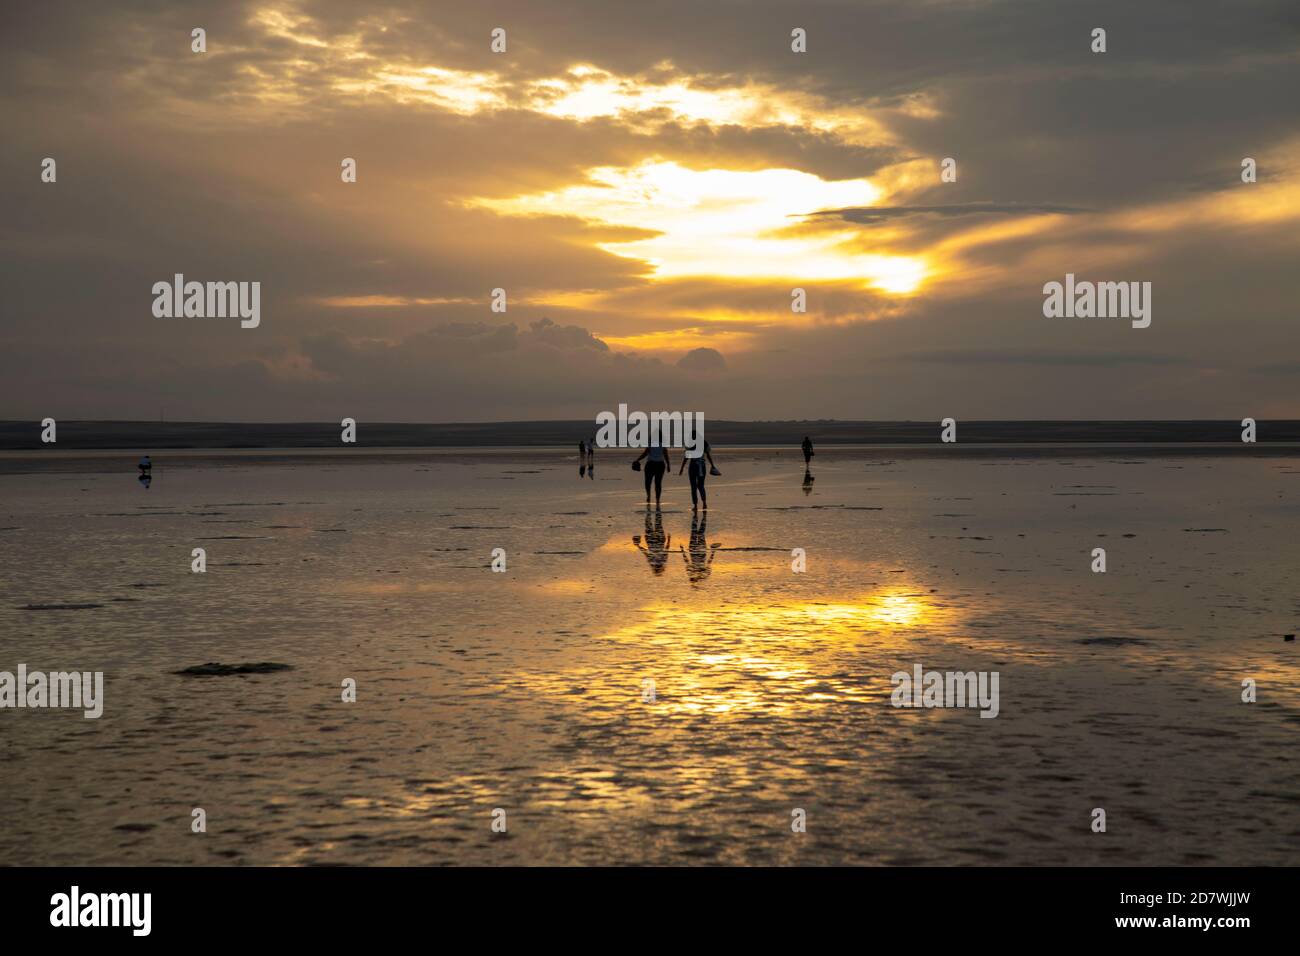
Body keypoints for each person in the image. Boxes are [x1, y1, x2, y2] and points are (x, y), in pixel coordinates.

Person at [678, 439, 717, 511]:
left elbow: (686, 457)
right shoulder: (704, 443)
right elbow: (708, 455)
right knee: (701, 486)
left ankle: (695, 506)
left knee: (693, 487)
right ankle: (704, 503)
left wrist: (682, 468)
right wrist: (712, 465)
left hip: (693, 466)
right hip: (702, 466)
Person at [632, 506, 671, 576]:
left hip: (657, 541)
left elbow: (666, 550)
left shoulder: (658, 561)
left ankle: (654, 507)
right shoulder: (655, 562)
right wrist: (638, 546)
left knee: (657, 523)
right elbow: (646, 553)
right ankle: (652, 508)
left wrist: (669, 540)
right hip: (654, 541)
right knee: (652, 524)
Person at [633, 441, 671, 506]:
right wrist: (668, 465)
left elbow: (645, 453)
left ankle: (648, 495)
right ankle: (657, 499)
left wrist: (638, 459)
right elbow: (666, 455)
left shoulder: (651, 444)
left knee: (648, 482)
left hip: (650, 464)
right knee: (658, 483)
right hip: (660, 464)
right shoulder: (663, 445)